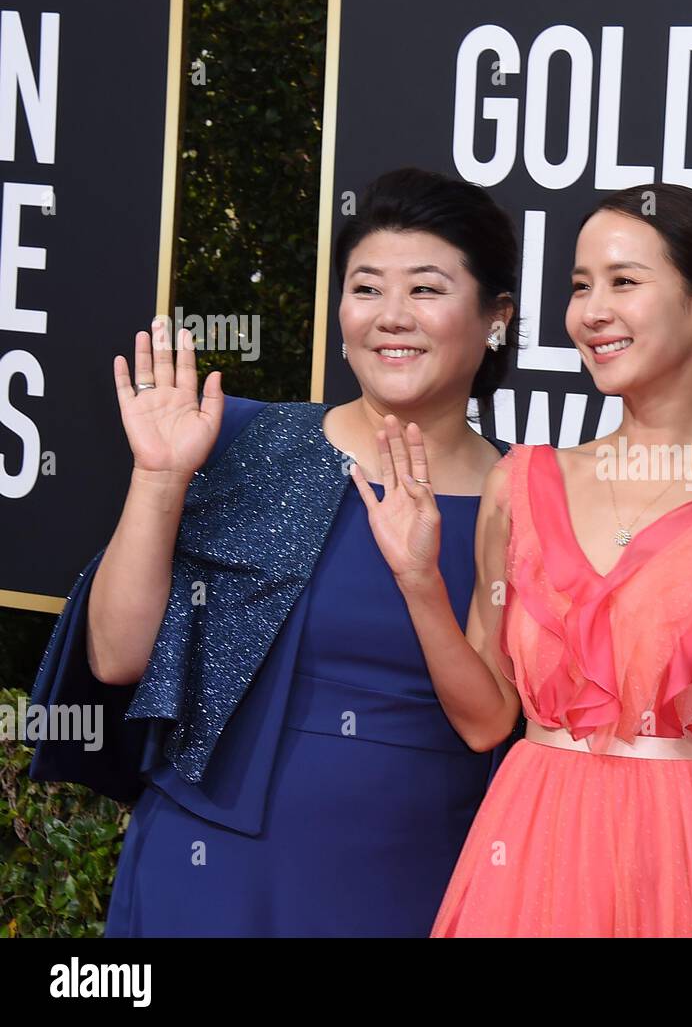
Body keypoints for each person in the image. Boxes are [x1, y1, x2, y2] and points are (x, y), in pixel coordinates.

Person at [28, 167, 522, 936]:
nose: (392, 317)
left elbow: (500, 722)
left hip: (412, 880)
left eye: (426, 290)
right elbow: (117, 656)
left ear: (496, 317)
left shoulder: (531, 500)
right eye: (366, 289)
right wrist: (159, 478)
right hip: (205, 869)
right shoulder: (244, 441)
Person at [357, 183, 692, 936]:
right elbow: (485, 721)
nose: (591, 312)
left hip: (680, 860)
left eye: (624, 282)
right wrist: (418, 583)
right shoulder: (523, 484)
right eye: (579, 287)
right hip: (527, 854)